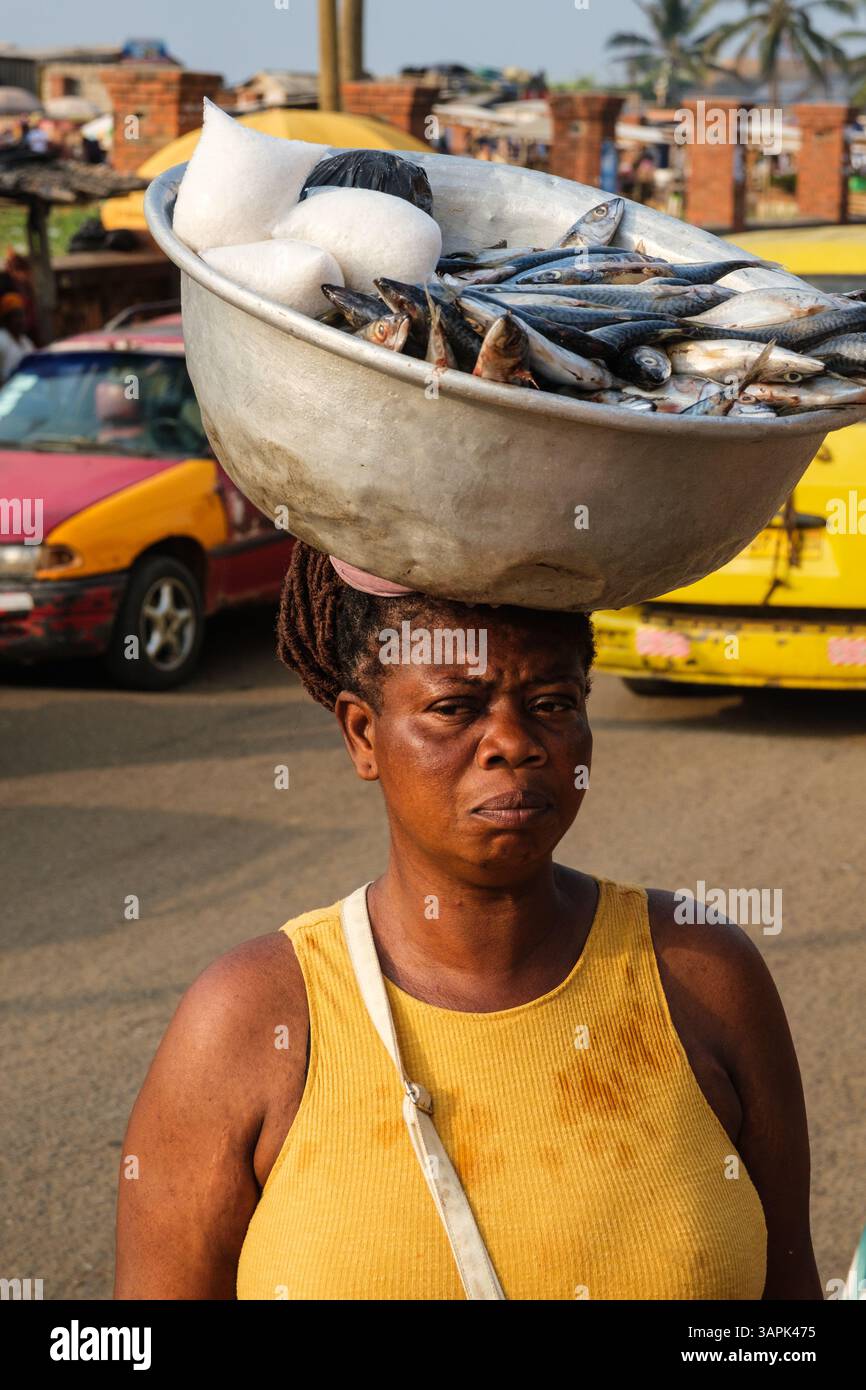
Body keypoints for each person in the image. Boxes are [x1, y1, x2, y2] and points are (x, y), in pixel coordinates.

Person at [114, 543, 821, 1300]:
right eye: (455, 708)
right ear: (362, 735)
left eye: (553, 704)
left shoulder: (704, 976)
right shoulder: (252, 1022)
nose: (514, 744)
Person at [0, 292, 35, 384]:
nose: (21, 320)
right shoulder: (2, 340)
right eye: (15, 316)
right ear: (6, 319)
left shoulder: (27, 342)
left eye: (22, 315)